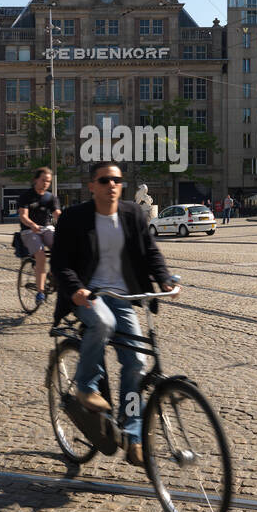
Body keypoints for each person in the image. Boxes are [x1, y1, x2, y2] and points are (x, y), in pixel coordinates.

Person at [51, 161, 175, 468]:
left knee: (136, 364)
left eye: (117, 180)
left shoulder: (134, 214)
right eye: (104, 180)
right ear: (91, 185)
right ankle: (85, 386)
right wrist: (76, 289)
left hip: (123, 296)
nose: (112, 185)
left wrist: (166, 279)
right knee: (103, 323)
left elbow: (151, 253)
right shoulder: (74, 217)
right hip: (88, 293)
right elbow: (60, 262)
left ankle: (132, 435)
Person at [18, 166, 60, 307]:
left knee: (60, 246)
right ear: (36, 180)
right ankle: (40, 292)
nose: (45, 183)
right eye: (43, 180)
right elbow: (23, 216)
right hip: (29, 231)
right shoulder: (26, 196)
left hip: (46, 228)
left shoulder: (51, 197)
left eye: (48, 181)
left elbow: (57, 214)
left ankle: (53, 275)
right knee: (41, 256)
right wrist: (32, 225)